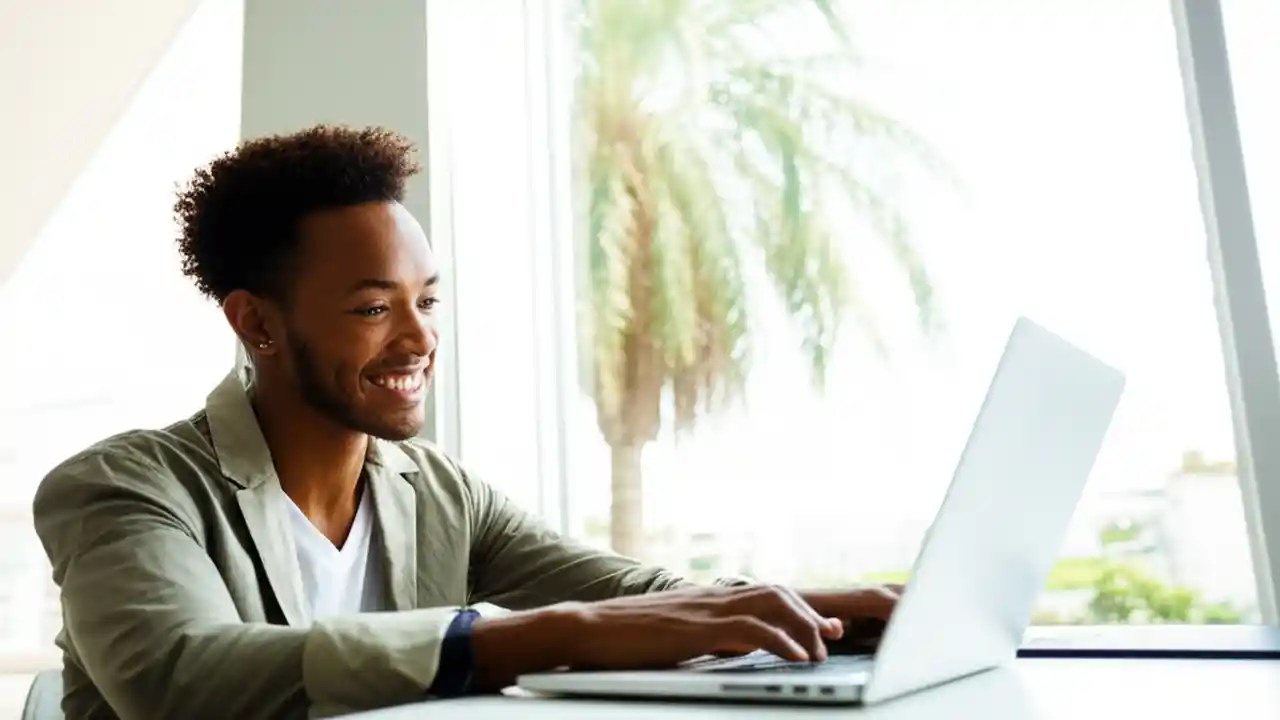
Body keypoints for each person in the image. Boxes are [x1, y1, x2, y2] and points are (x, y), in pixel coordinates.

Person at [32, 125, 900, 719]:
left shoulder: (438, 494)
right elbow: (183, 679)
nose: (419, 338)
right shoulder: (123, 488)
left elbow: (625, 596)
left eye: (428, 300)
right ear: (257, 323)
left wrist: (824, 610)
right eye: (374, 308)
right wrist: (537, 637)